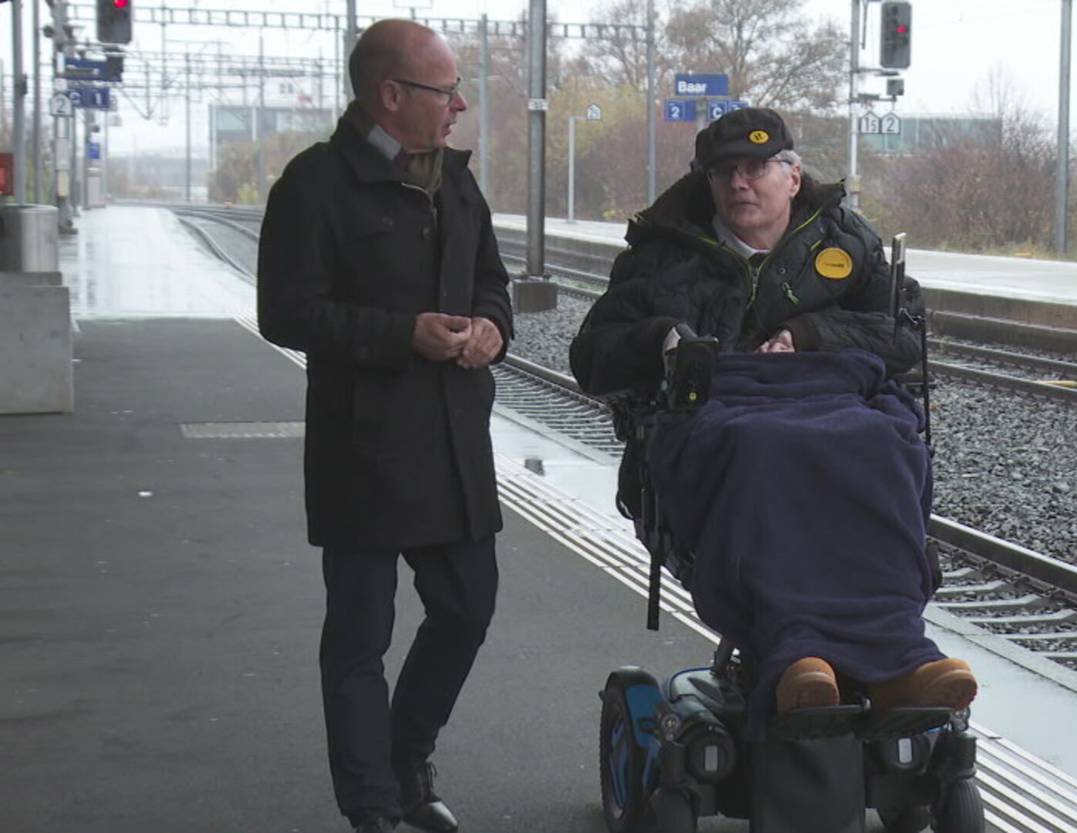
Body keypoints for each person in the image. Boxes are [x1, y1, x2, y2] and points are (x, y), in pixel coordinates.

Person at [569, 107, 976, 725]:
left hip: (836, 407)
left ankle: (900, 661)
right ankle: (800, 651)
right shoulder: (660, 257)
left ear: (792, 176)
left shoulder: (847, 243)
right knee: (760, 448)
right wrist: (660, 338)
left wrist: (810, 334)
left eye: (756, 168)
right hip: (723, 420)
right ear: (706, 182)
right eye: (725, 171)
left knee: (884, 441)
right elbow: (591, 359)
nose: (740, 183)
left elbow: (902, 338)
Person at [257, 19, 512, 833]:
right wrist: (401, 333)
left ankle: (406, 761)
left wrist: (491, 330)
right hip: (361, 446)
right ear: (390, 95)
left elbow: (494, 285)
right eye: (447, 91)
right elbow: (284, 312)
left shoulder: (457, 184)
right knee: (360, 635)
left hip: (454, 442)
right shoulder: (314, 184)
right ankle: (373, 808)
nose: (460, 105)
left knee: (468, 605)